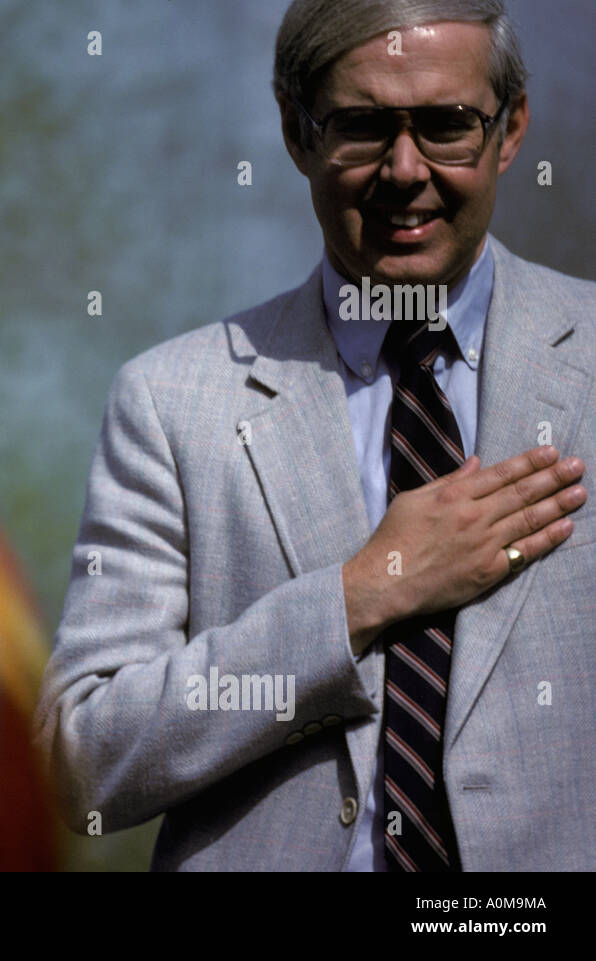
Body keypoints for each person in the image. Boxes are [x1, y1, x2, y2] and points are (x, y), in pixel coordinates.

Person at [33, 0, 596, 871]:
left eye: (448, 125)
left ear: (511, 127)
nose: (405, 170)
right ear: (298, 133)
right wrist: (360, 595)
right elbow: (84, 761)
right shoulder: (170, 402)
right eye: (363, 127)